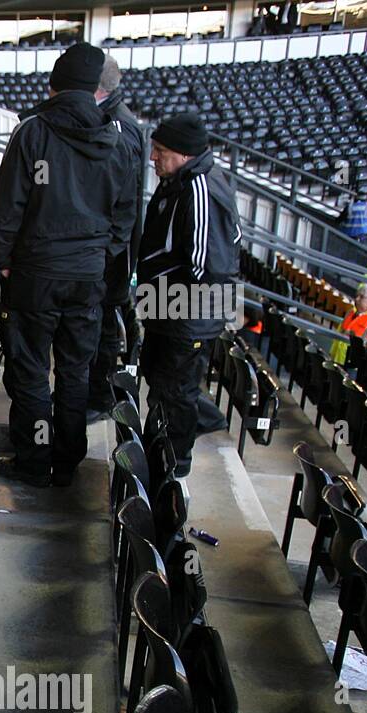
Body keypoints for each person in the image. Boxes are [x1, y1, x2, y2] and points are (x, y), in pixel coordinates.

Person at [0, 42, 130, 488]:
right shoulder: (117, 141)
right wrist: (98, 259)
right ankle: (66, 463)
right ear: (93, 89)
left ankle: (33, 461)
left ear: (54, 85)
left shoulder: (33, 132)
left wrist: (3, 260)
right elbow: (124, 219)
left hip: (37, 274)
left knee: (29, 371)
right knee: (74, 372)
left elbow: (8, 206)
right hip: (86, 276)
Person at [137, 112, 242, 478]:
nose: (153, 158)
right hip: (171, 310)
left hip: (187, 315)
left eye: (160, 151)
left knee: (174, 394)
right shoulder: (182, 180)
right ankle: (169, 451)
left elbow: (204, 267)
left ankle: (171, 471)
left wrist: (153, 287)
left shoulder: (200, 188)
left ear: (182, 154)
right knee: (160, 380)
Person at [87, 55, 144, 424]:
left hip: (115, 252)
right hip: (114, 247)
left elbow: (122, 204)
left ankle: (101, 396)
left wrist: (108, 250)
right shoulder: (115, 119)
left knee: (105, 322)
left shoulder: (118, 126)